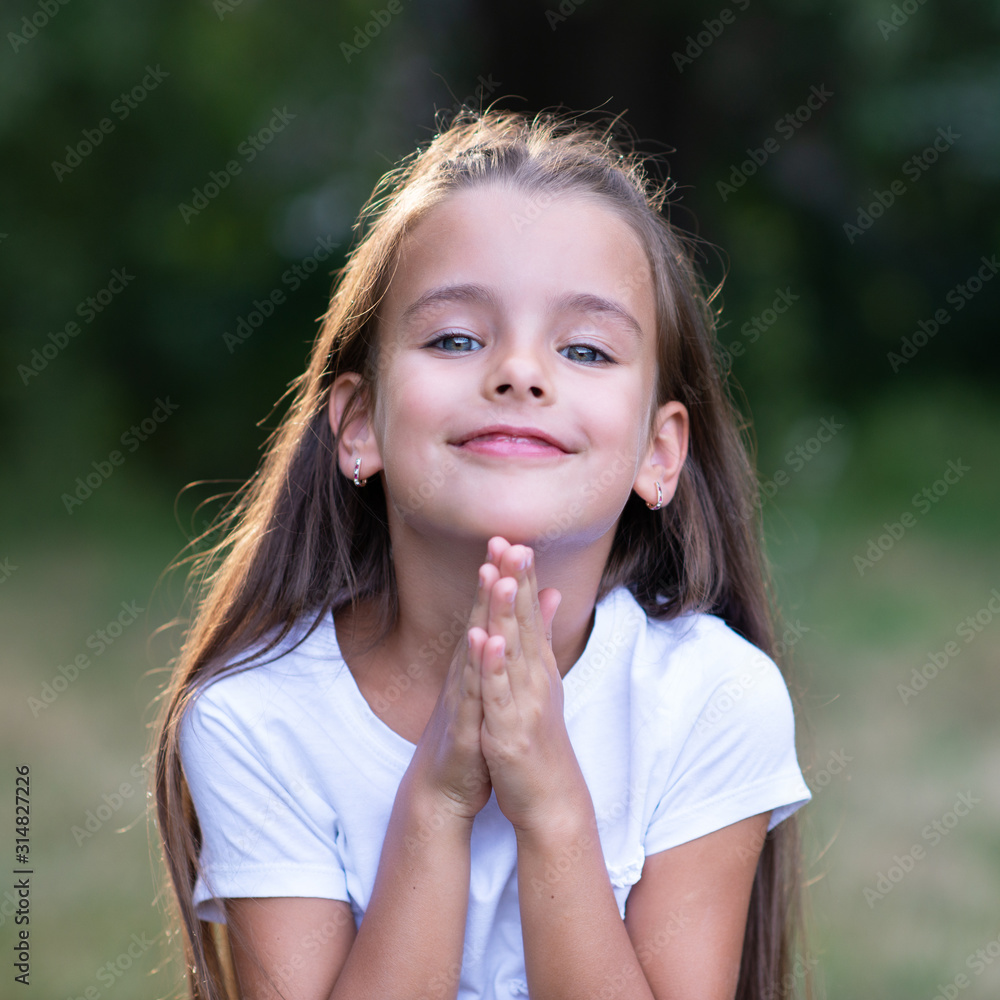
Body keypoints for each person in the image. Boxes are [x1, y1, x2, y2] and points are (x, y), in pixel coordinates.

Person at [152, 108, 814, 1000]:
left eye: (584, 349)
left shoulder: (713, 700)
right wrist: (435, 806)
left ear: (660, 454)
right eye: (457, 338)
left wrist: (552, 813)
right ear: (357, 425)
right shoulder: (253, 720)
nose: (519, 372)